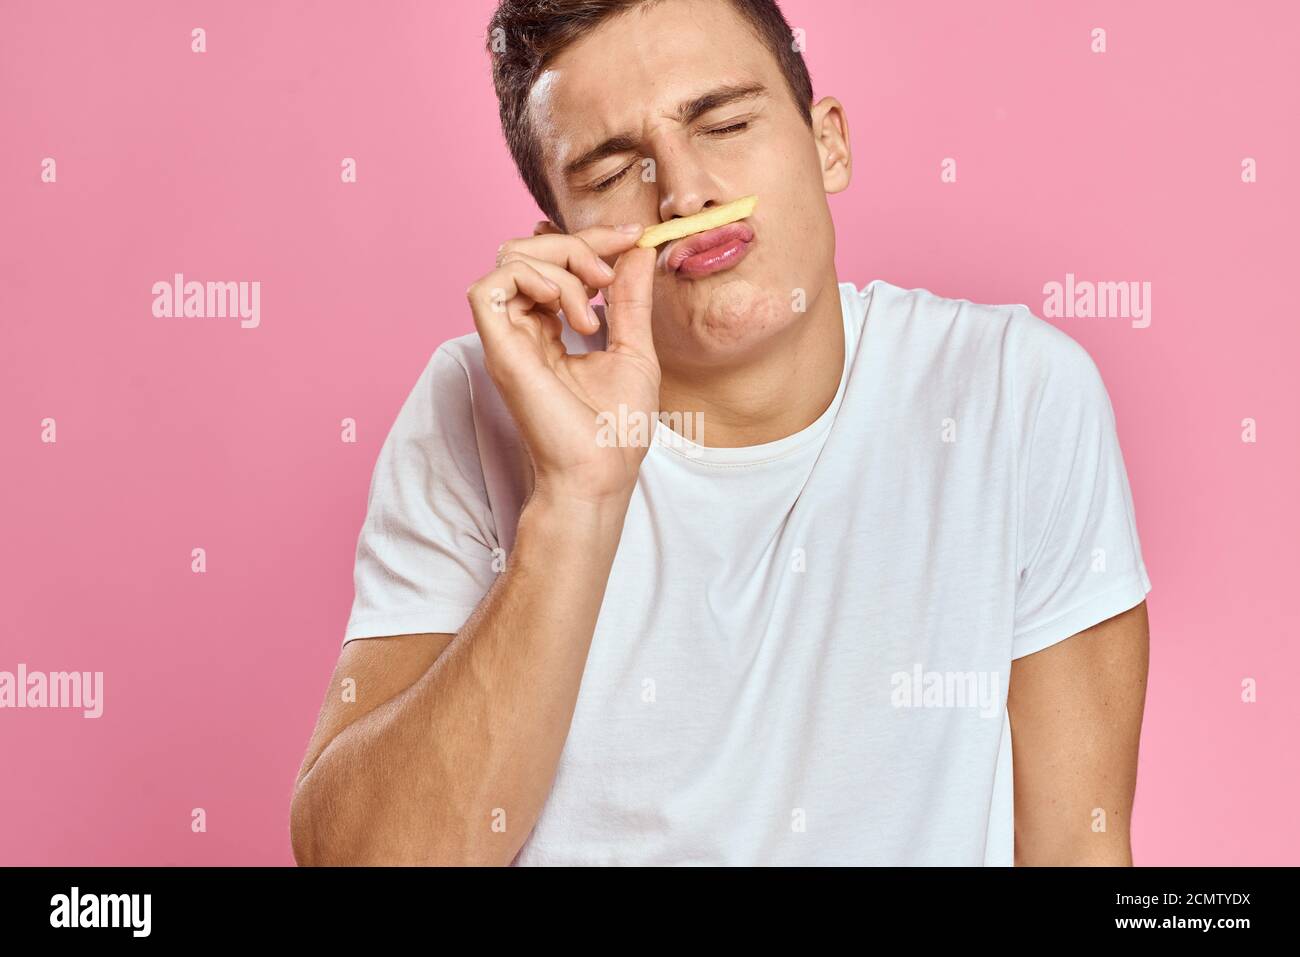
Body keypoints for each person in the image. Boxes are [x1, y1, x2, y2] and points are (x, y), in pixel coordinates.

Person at [291, 0, 1152, 866]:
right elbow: (359, 858)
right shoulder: (474, 404)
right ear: (565, 245)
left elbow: (1081, 847)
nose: (687, 191)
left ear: (829, 144)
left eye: (726, 123)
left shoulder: (1016, 392)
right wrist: (576, 500)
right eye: (611, 172)